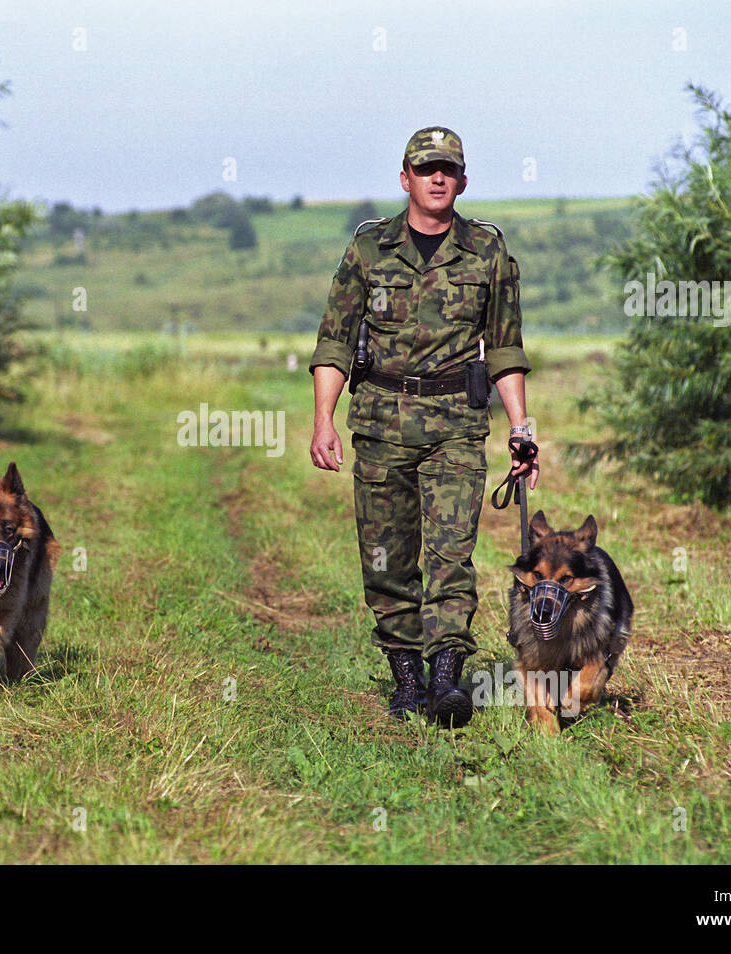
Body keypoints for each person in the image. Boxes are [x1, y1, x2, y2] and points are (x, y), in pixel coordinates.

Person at [309, 126, 539, 727]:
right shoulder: (368, 251)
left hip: (457, 427)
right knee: (386, 558)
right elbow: (334, 343)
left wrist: (522, 428)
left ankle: (446, 679)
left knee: (450, 554)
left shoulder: (487, 253)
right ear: (404, 177)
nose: (437, 178)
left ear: (463, 181)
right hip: (381, 426)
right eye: (426, 167)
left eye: (448, 169)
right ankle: (405, 677)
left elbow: (506, 349)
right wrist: (322, 422)